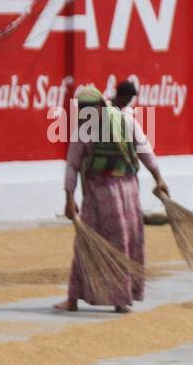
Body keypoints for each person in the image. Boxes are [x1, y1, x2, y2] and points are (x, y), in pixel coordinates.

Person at [56, 83, 168, 312]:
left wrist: (69, 199)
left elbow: (72, 167)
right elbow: (146, 151)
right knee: (124, 244)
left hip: (100, 197)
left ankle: (74, 299)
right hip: (128, 195)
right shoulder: (125, 120)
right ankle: (120, 301)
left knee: (86, 247)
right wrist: (159, 179)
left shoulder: (84, 130)